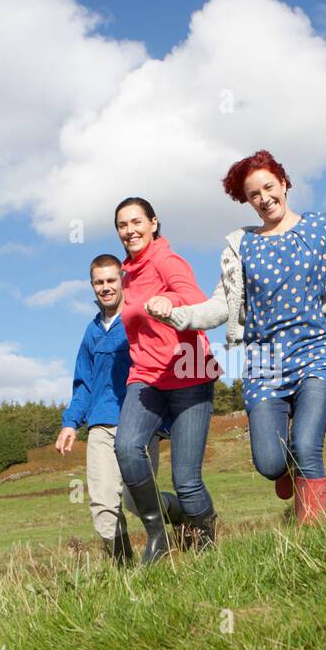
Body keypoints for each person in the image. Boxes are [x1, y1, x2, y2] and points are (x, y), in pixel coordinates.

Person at [156, 151, 326, 524]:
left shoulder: (320, 228)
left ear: (284, 183)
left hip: (315, 352)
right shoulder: (241, 246)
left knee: (307, 445)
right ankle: (286, 470)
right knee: (269, 462)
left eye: (268, 187)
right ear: (247, 202)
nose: (264, 198)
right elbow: (221, 306)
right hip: (264, 364)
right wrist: (179, 315)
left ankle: (312, 539)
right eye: (253, 195)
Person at [112, 197, 221, 562]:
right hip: (146, 377)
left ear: (154, 223)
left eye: (136, 222)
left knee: (186, 481)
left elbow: (197, 300)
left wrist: (169, 302)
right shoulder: (127, 273)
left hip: (188, 372)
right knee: (126, 447)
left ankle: (206, 544)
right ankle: (158, 538)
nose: (130, 230)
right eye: (122, 225)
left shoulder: (166, 259)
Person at [53, 254, 179, 564]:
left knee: (137, 502)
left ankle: (182, 513)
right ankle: (124, 572)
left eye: (111, 280)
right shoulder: (91, 332)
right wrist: (71, 423)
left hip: (138, 420)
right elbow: (83, 383)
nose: (106, 287)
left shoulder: (140, 318)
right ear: (92, 285)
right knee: (103, 505)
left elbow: (163, 364)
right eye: (99, 282)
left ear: (122, 280)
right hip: (100, 425)